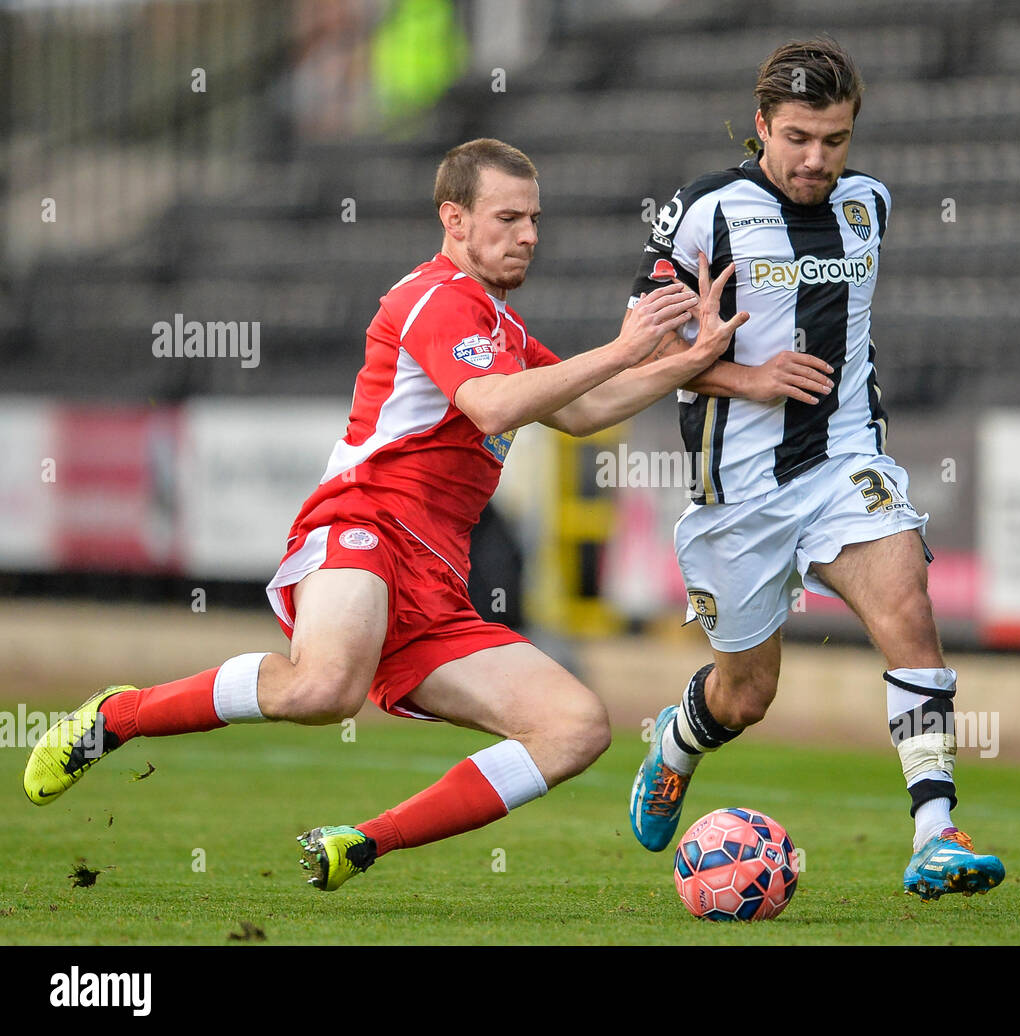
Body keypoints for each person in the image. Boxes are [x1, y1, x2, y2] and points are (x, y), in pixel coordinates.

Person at [24, 138, 746, 893]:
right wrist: (624, 346)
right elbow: (495, 403)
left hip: (435, 582)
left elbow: (585, 409)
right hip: (363, 525)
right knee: (323, 690)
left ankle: (361, 843)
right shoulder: (437, 298)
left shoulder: (500, 325)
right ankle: (119, 717)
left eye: (534, 217)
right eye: (508, 217)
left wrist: (688, 361)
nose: (529, 233)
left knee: (576, 727)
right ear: (454, 220)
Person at [624, 39, 1005, 900]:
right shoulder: (705, 211)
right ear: (762, 125)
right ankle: (677, 746)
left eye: (833, 139)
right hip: (738, 491)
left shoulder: (869, 206)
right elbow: (639, 345)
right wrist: (742, 375)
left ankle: (936, 834)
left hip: (843, 463)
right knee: (747, 694)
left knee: (908, 603)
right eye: (797, 137)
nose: (815, 159)